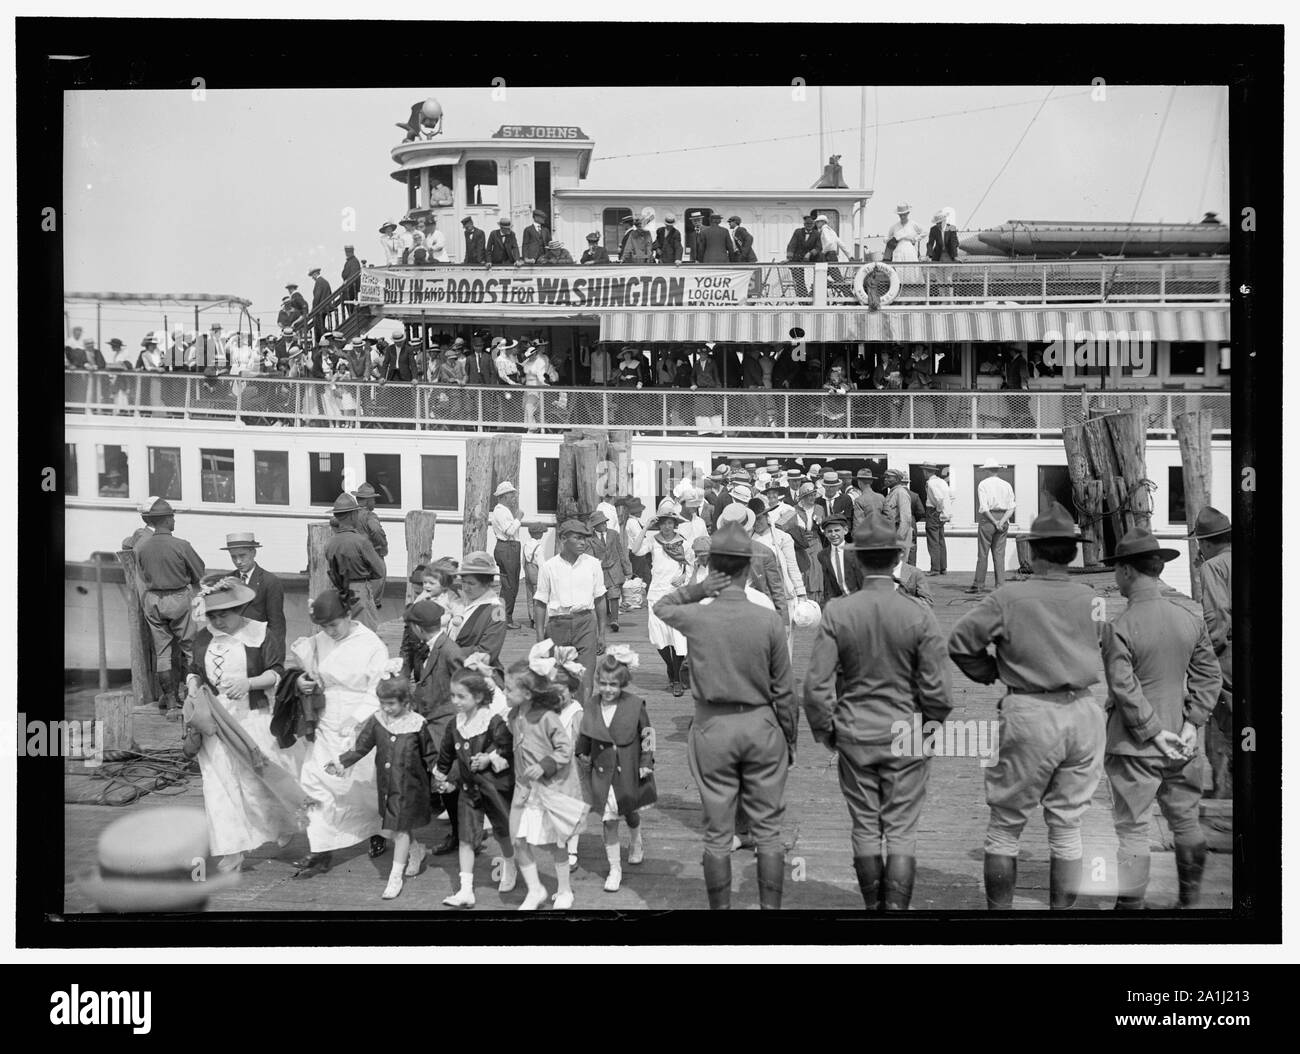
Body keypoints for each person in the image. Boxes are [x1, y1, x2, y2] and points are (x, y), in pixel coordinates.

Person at [947, 503, 1106, 910]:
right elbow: (1107, 645)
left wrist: (992, 671)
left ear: (1032, 553)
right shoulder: (1092, 598)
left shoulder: (1009, 596)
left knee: (1005, 825)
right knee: (1069, 826)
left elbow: (961, 643)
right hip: (1085, 712)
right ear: (1072, 553)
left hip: (1030, 710)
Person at [804, 513, 953, 910]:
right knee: (902, 830)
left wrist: (827, 731)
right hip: (908, 732)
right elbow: (938, 688)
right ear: (894, 560)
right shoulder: (918, 613)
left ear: (858, 561)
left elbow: (817, 687)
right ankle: (897, 912)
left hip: (855, 732)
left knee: (866, 827)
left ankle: (874, 909)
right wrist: (931, 726)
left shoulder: (838, 612)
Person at [654, 523, 797, 909]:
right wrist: (790, 739)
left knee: (717, 833)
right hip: (760, 724)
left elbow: (661, 606)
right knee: (767, 832)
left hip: (712, 727)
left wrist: (701, 588)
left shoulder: (698, 616)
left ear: (714, 566)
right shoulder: (767, 619)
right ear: (749, 568)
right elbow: (784, 689)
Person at [1099, 528, 1221, 910]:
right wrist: (1189, 725)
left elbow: (1124, 689)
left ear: (1127, 572)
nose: (1115, 578)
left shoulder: (1119, 627)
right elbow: (1209, 676)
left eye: (1116, 569)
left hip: (1134, 745)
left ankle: (1130, 911)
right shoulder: (1190, 617)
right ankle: (1189, 902)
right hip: (1183, 744)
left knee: (1133, 828)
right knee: (1185, 822)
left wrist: (1153, 734)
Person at [183, 577, 304, 875]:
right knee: (218, 784)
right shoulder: (203, 636)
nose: (218, 620)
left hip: (253, 717)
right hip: (216, 719)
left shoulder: (262, 634)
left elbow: (277, 673)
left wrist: (249, 682)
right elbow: (195, 670)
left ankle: (283, 825)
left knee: (260, 780)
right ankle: (232, 850)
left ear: (239, 608)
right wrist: (192, 685)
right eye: (212, 615)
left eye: (223, 614)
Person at [290, 589, 390, 878]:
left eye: (334, 624)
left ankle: (376, 829)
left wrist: (358, 719)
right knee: (314, 779)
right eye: (323, 626)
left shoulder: (370, 644)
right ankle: (320, 849)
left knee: (359, 784)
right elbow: (306, 670)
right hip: (325, 716)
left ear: (348, 616)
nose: (329, 631)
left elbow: (378, 688)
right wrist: (302, 682)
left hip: (360, 715)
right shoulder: (319, 641)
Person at [325, 672, 436, 899]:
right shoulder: (377, 721)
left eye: (391, 704)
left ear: (406, 702)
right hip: (388, 785)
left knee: (401, 827)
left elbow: (430, 754)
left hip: (412, 787)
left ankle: (395, 877)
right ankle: (416, 850)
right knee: (397, 826)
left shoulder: (417, 725)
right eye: (383, 704)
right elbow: (361, 747)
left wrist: (442, 776)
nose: (386, 709)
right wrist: (341, 762)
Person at [433, 665, 517, 907]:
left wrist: (489, 757)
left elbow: (507, 747)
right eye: (453, 696)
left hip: (494, 786)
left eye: (461, 696)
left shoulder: (493, 720)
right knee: (466, 838)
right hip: (468, 790)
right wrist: (441, 778)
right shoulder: (454, 725)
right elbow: (445, 757)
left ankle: (509, 864)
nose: (455, 701)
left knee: (502, 831)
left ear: (478, 697)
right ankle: (466, 889)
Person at [505, 651, 582, 910]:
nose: (505, 693)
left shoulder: (547, 718)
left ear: (527, 694)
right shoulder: (514, 716)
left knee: (555, 842)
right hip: (523, 790)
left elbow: (564, 749)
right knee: (517, 839)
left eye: (508, 689)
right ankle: (535, 889)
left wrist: (544, 765)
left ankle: (564, 890)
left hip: (549, 789)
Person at [576, 647, 656, 892]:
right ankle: (615, 868)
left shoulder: (634, 705)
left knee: (630, 811)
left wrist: (646, 763)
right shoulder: (591, 705)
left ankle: (636, 839)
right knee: (608, 820)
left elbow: (648, 734)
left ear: (623, 683)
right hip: (602, 770)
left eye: (613, 684)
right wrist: (581, 752)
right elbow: (586, 734)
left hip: (628, 767)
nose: (608, 689)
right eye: (603, 683)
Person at [134, 498, 205, 719]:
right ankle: (193, 697)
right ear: (166, 520)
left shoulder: (142, 547)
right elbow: (199, 572)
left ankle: (172, 705)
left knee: (162, 654)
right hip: (178, 598)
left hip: (153, 600)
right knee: (190, 648)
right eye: (172, 516)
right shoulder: (181, 545)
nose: (174, 520)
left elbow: (143, 574)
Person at [533, 519, 608, 702]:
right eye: (578, 538)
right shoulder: (549, 567)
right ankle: (562, 719)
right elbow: (540, 602)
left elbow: (600, 598)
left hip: (585, 624)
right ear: (563, 538)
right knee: (558, 677)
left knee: (585, 676)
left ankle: (581, 719)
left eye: (585, 538)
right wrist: (540, 636)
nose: (583, 542)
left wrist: (602, 634)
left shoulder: (593, 564)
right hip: (558, 624)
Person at [1188, 506, 1233, 799]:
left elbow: (1216, 617)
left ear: (1204, 543)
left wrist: (1203, 654)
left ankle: (1227, 799)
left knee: (1228, 728)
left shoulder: (1212, 566)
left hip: (1226, 656)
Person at [636, 500, 695, 696]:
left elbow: (692, 566)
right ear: (659, 524)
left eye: (670, 522)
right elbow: (635, 550)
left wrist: (684, 577)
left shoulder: (684, 542)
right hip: (656, 594)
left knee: (678, 638)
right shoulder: (653, 541)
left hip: (676, 595)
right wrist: (645, 527)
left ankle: (676, 678)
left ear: (675, 524)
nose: (667, 526)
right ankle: (671, 668)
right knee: (660, 637)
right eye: (663, 523)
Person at [325, 492, 386, 630]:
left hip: (338, 592)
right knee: (366, 632)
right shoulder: (361, 542)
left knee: (343, 633)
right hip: (360, 591)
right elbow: (380, 570)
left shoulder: (329, 543)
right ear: (353, 515)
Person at [221, 531, 286, 655]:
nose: (238, 561)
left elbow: (277, 624)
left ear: (253, 552)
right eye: (233, 557)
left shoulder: (270, 582)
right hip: (232, 649)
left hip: (258, 648)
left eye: (242, 555)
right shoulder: (227, 580)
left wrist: (276, 657)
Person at [453, 550, 508, 670]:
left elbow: (488, 650)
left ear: (487, 583)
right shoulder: (458, 602)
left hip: (475, 674)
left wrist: (448, 653)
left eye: (471, 583)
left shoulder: (497, 609)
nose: (466, 587)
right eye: (463, 582)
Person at [969, 460, 1016, 593]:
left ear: (988, 470)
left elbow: (984, 507)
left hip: (988, 520)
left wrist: (994, 522)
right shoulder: (1006, 485)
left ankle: (978, 585)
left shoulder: (983, 484)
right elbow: (1012, 507)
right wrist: (1001, 522)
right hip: (1004, 518)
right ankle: (1000, 585)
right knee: (999, 554)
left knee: (983, 553)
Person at [589, 508, 631, 634]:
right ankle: (606, 616)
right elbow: (589, 556)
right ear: (595, 526)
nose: (604, 525)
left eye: (605, 522)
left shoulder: (613, 534)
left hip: (614, 568)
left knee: (614, 594)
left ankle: (614, 620)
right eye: (601, 523)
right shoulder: (589, 539)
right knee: (602, 595)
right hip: (600, 571)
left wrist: (627, 569)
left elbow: (621, 552)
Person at [489, 480, 524, 629]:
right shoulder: (500, 511)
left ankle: (500, 617)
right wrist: (518, 518)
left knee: (508, 585)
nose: (513, 498)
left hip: (509, 547)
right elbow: (509, 531)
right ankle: (504, 619)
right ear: (503, 496)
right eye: (511, 495)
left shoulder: (502, 510)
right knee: (510, 585)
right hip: (507, 547)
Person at [354, 482, 389, 611]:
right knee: (378, 580)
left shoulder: (349, 515)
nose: (374, 502)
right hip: (371, 555)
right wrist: (383, 546)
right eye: (373, 499)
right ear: (368, 501)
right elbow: (376, 530)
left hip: (354, 557)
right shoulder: (369, 516)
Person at [817, 514, 862, 599]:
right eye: (829, 531)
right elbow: (828, 585)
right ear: (825, 534)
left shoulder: (857, 551)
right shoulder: (823, 556)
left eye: (837, 530)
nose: (833, 534)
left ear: (845, 530)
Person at [885, 203, 925, 285]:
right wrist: (892, 240)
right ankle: (898, 287)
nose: (902, 217)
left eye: (904, 215)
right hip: (898, 250)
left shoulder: (913, 224)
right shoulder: (894, 226)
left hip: (909, 249)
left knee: (911, 270)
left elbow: (924, 232)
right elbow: (886, 238)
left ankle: (913, 288)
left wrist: (916, 239)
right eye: (900, 215)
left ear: (907, 214)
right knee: (899, 270)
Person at [922, 462, 951, 575]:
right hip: (941, 512)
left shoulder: (931, 483)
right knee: (940, 540)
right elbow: (950, 496)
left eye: (924, 471)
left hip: (933, 510)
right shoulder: (942, 481)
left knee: (933, 541)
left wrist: (937, 511)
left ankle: (935, 568)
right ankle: (942, 567)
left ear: (926, 471)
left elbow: (939, 498)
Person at [881, 468, 916, 558]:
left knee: (898, 567)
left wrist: (898, 539)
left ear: (897, 479)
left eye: (889, 477)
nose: (886, 479)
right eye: (885, 477)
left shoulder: (901, 493)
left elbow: (906, 519)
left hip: (899, 535)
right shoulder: (892, 493)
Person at [521, 523, 547, 629]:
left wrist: (524, 571)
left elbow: (523, 561)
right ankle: (537, 621)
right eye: (541, 533)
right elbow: (541, 564)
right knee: (538, 597)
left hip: (528, 571)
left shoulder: (526, 544)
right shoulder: (538, 547)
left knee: (530, 596)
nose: (542, 534)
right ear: (537, 534)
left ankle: (531, 617)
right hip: (536, 573)